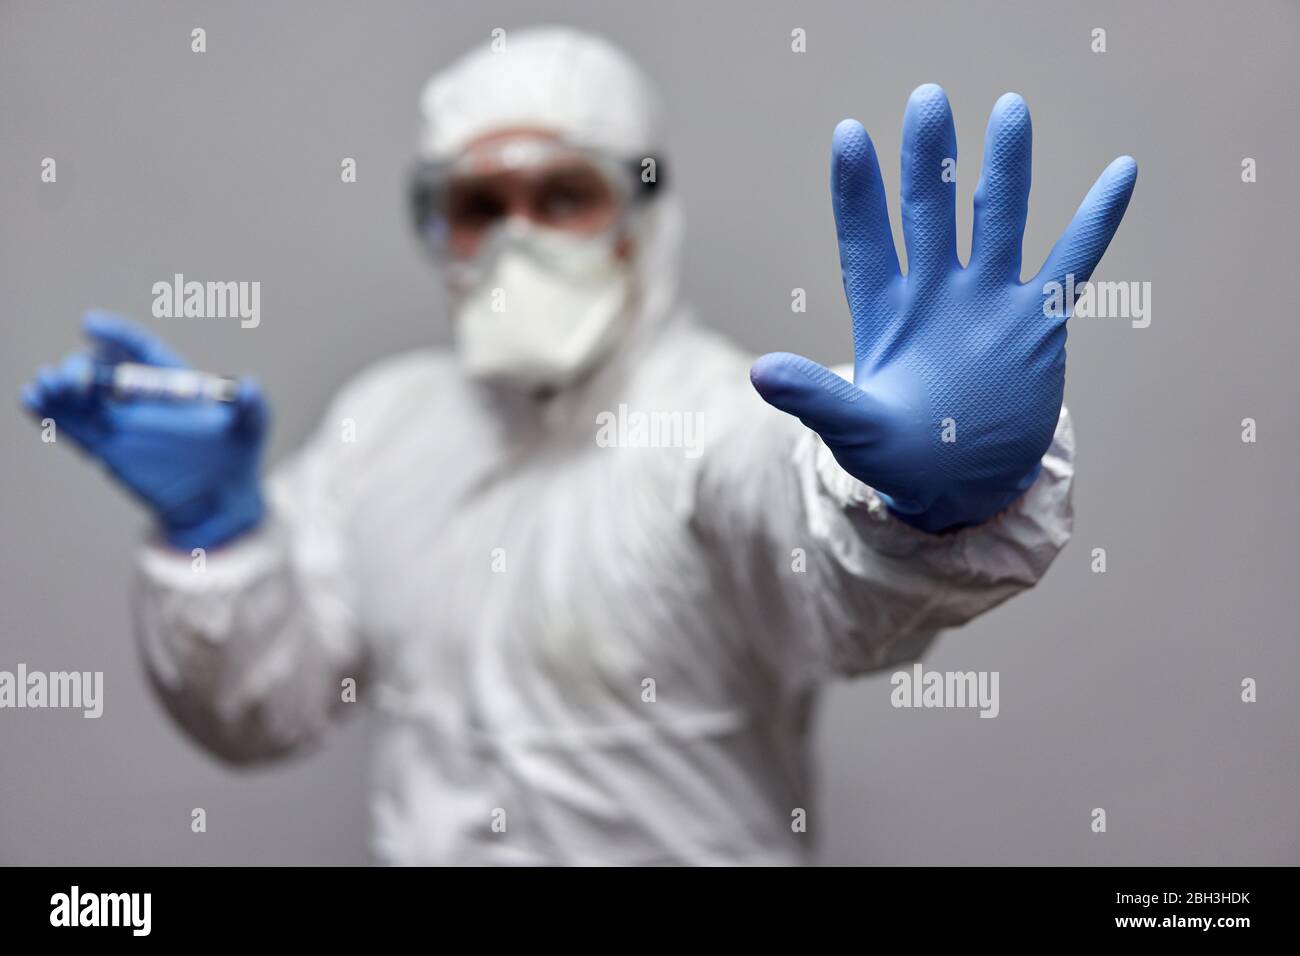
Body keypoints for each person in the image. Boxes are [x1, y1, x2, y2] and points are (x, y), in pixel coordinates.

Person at [21, 27, 1135, 865]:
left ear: (639, 212)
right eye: (475, 203)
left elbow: (814, 546)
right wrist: (220, 540)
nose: (515, 235)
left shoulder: (710, 416)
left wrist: (928, 494)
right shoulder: (384, 426)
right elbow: (266, 710)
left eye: (563, 195)